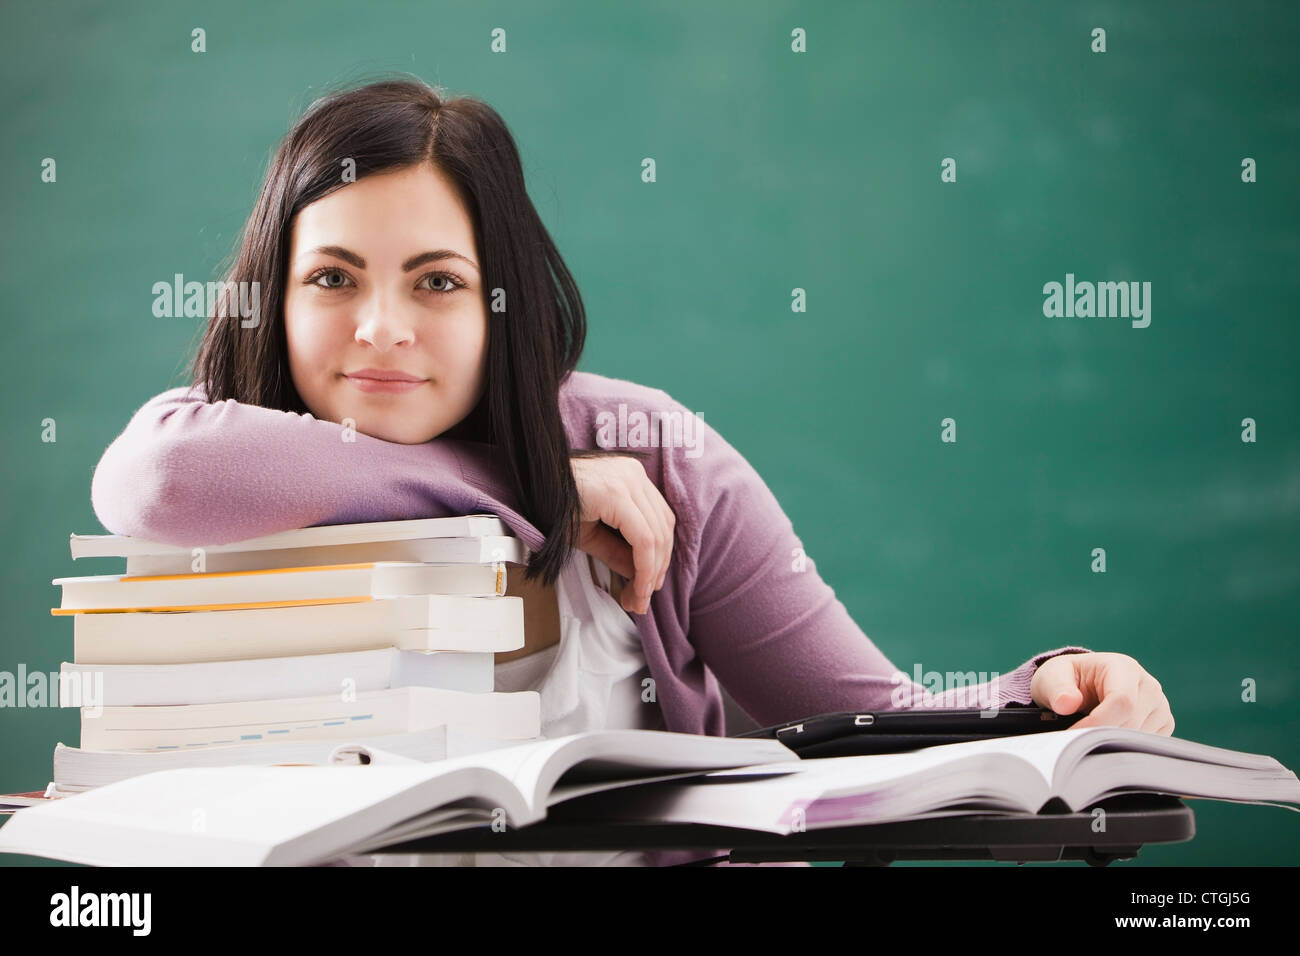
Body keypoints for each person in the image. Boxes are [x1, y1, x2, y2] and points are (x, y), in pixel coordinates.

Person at [91, 77, 1174, 866]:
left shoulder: (651, 446)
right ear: (273, 300)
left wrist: (1040, 693)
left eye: (436, 282)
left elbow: (866, 718)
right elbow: (149, 485)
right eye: (332, 277)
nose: (380, 330)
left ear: (502, 300)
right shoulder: (221, 441)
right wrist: (537, 491)